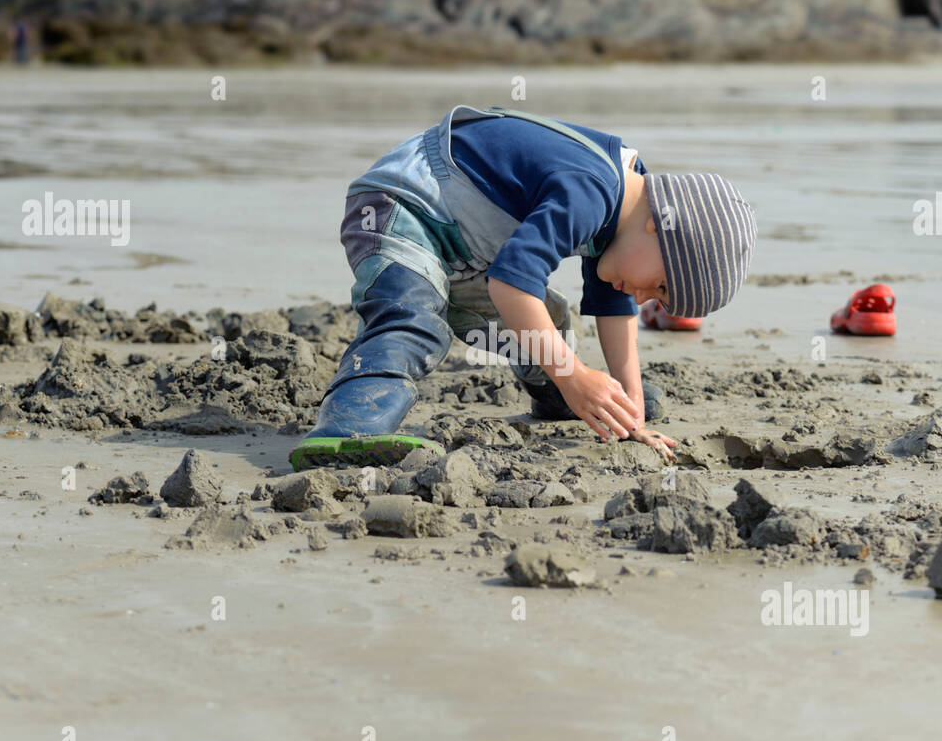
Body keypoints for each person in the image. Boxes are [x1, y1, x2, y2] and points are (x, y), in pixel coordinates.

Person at [289, 104, 756, 471]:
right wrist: (574, 374)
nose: (642, 297)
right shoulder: (590, 189)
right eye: (659, 286)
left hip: (468, 249)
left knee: (547, 323)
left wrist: (631, 408)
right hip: (401, 210)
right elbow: (512, 284)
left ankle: (563, 398)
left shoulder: (627, 211)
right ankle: (351, 424)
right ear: (659, 226)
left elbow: (614, 307)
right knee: (413, 322)